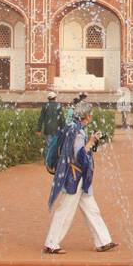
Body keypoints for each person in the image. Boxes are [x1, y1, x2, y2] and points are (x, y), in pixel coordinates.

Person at [43, 101, 118, 255]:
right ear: (86, 116)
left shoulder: (73, 128)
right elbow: (79, 156)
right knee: (65, 211)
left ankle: (103, 241)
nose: (91, 116)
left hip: (78, 177)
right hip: (74, 177)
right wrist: (91, 142)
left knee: (92, 209)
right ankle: (51, 244)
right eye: (90, 114)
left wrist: (90, 141)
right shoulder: (77, 132)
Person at [36, 90, 64, 162]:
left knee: (49, 145)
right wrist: (63, 129)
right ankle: (53, 161)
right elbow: (62, 119)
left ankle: (48, 160)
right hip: (57, 129)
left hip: (48, 129)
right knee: (55, 145)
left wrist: (38, 129)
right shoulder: (59, 106)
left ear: (48, 98)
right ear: (55, 98)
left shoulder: (45, 106)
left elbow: (41, 118)